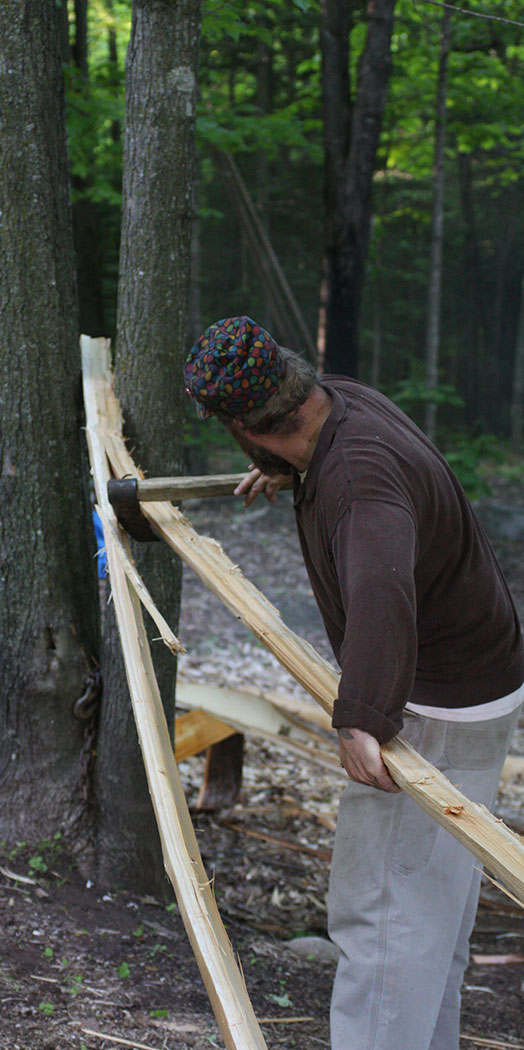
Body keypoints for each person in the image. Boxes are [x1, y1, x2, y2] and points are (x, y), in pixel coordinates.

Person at [183, 315, 524, 1050]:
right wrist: (286, 467)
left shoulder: (359, 478)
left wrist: (364, 713)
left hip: (435, 703)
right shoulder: (341, 406)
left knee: (384, 917)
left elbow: (380, 589)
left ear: (248, 426)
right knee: (431, 910)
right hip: (480, 680)